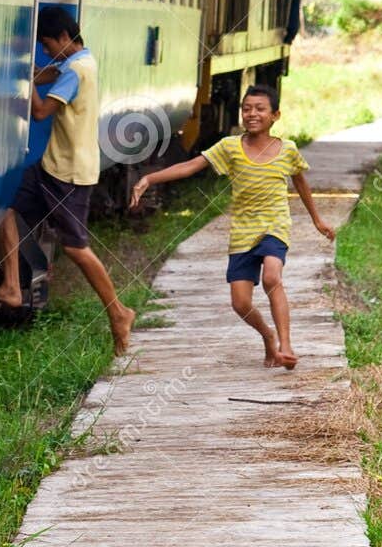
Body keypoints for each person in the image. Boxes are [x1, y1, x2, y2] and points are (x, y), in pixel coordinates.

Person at [131, 84, 334, 369]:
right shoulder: (229, 147)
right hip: (242, 232)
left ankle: (286, 346)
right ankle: (268, 336)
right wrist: (149, 179)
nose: (252, 114)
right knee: (240, 304)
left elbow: (300, 181)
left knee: (272, 278)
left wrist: (317, 220)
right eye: (246, 108)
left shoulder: (287, 150)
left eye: (260, 109)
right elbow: (191, 166)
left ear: (275, 115)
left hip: (274, 226)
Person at [0, 8, 137, 354]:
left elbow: (41, 111)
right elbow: (51, 72)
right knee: (3, 210)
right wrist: (32, 73)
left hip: (69, 174)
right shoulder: (82, 61)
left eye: (47, 44)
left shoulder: (75, 70)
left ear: (62, 38)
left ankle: (119, 312)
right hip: (54, 167)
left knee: (76, 247)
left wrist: (26, 84)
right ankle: (12, 286)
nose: (46, 51)